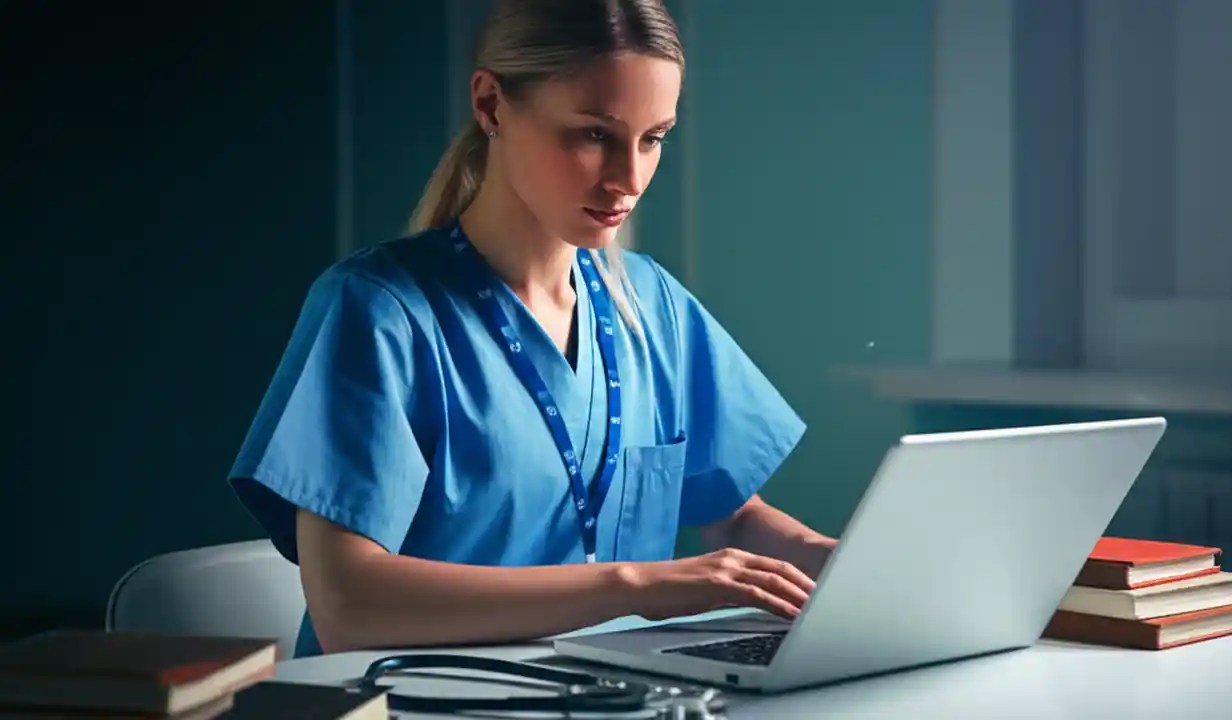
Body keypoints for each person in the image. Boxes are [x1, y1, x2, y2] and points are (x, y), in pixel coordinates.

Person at [228, 0, 836, 659]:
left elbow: (734, 516)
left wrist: (847, 565)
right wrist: (632, 585)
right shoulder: (378, 312)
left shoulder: (652, 304)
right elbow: (350, 606)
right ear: (491, 104)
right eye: (594, 135)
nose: (629, 178)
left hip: (616, 693)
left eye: (652, 139)